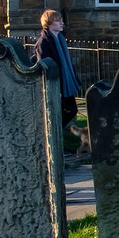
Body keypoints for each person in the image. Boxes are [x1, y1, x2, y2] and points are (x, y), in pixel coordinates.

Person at [34, 9, 81, 143]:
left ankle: (54, 135)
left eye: (61, 20)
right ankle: (51, 138)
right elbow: (44, 66)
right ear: (48, 23)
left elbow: (66, 64)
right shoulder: (44, 42)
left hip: (65, 84)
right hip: (55, 86)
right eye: (58, 20)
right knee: (57, 114)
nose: (62, 23)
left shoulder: (60, 39)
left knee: (71, 110)